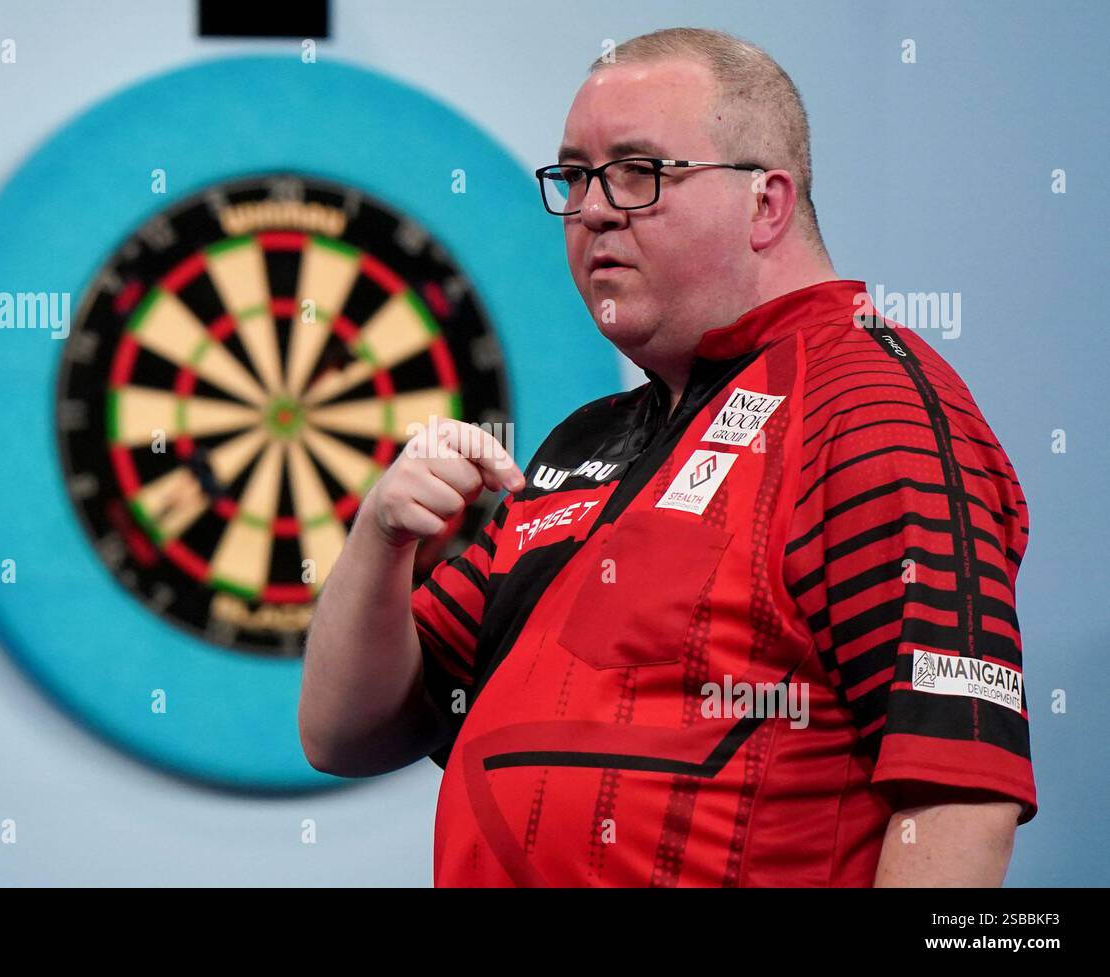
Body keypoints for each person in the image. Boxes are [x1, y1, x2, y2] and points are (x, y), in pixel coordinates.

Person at [298, 27, 1035, 887]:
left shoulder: (871, 407)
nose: (596, 209)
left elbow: (957, 800)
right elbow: (344, 733)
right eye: (575, 177)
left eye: (641, 172)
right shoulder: (588, 442)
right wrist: (379, 538)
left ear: (766, 203)